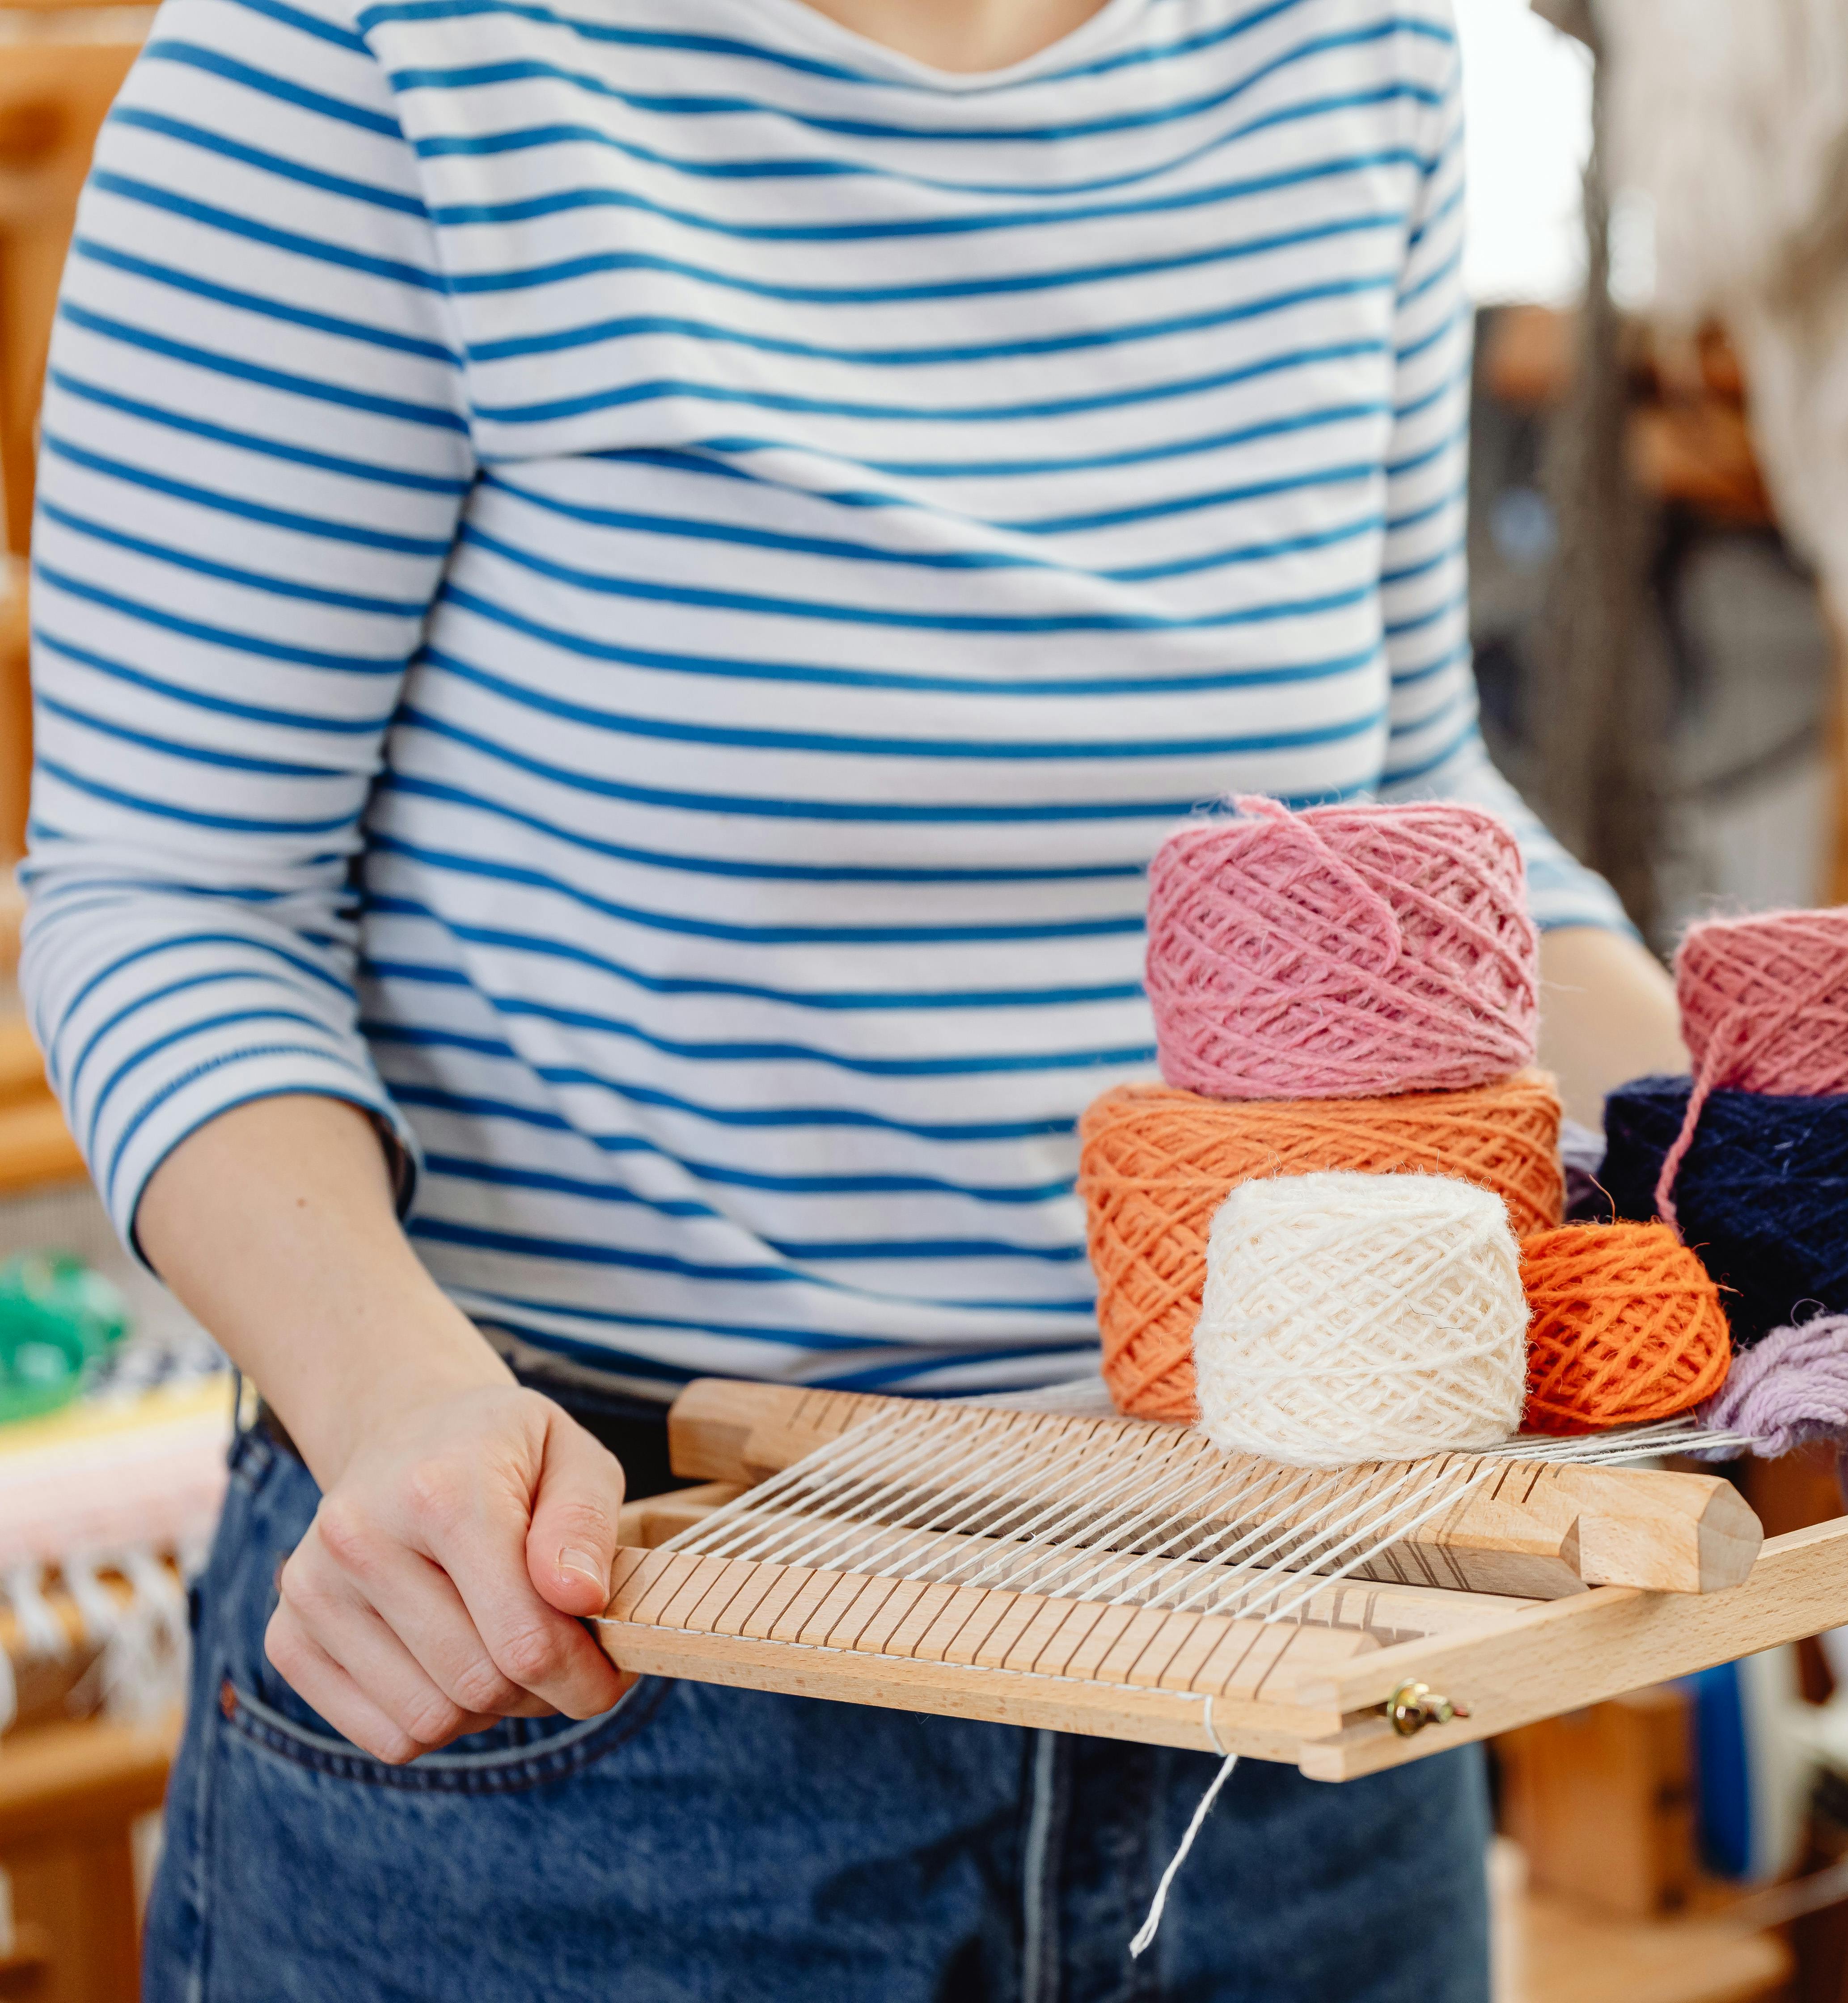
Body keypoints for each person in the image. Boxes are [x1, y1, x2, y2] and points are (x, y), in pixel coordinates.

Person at [19, 0, 1684, 1990]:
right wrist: (397, 1398)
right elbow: (173, 894)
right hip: (597, 1678)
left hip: (1307, 1658)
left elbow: (1405, 802)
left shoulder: (1359, 51)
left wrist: (1755, 1142)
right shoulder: (360, 50)